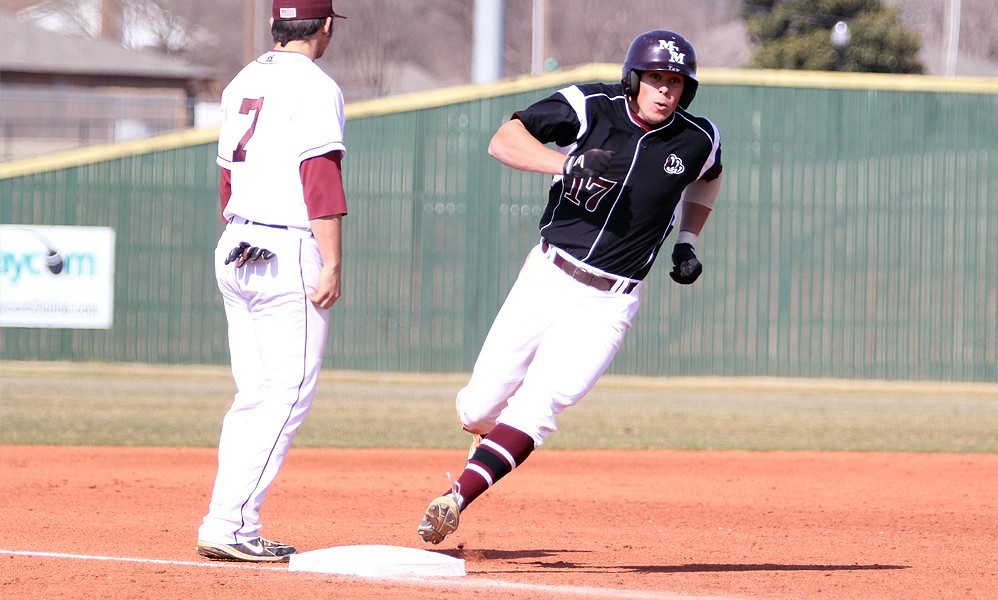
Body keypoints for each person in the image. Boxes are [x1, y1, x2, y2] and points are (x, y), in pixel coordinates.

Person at [417, 30, 723, 545]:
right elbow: (503, 140)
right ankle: (485, 439)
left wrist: (687, 239)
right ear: (634, 79)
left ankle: (456, 499)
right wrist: (566, 162)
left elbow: (709, 176)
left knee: (543, 404)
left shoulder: (697, 138)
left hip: (611, 299)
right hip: (548, 276)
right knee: (477, 409)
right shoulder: (591, 107)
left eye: (675, 82)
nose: (665, 91)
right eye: (655, 79)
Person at [196, 0, 349, 563]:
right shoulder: (314, 85)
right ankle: (232, 524)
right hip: (285, 247)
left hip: (236, 242)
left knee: (255, 396)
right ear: (325, 26)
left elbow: (226, 177)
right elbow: (320, 176)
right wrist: (331, 261)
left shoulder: (242, 80)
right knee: (285, 397)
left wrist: (236, 232)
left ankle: (225, 518)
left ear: (275, 25)